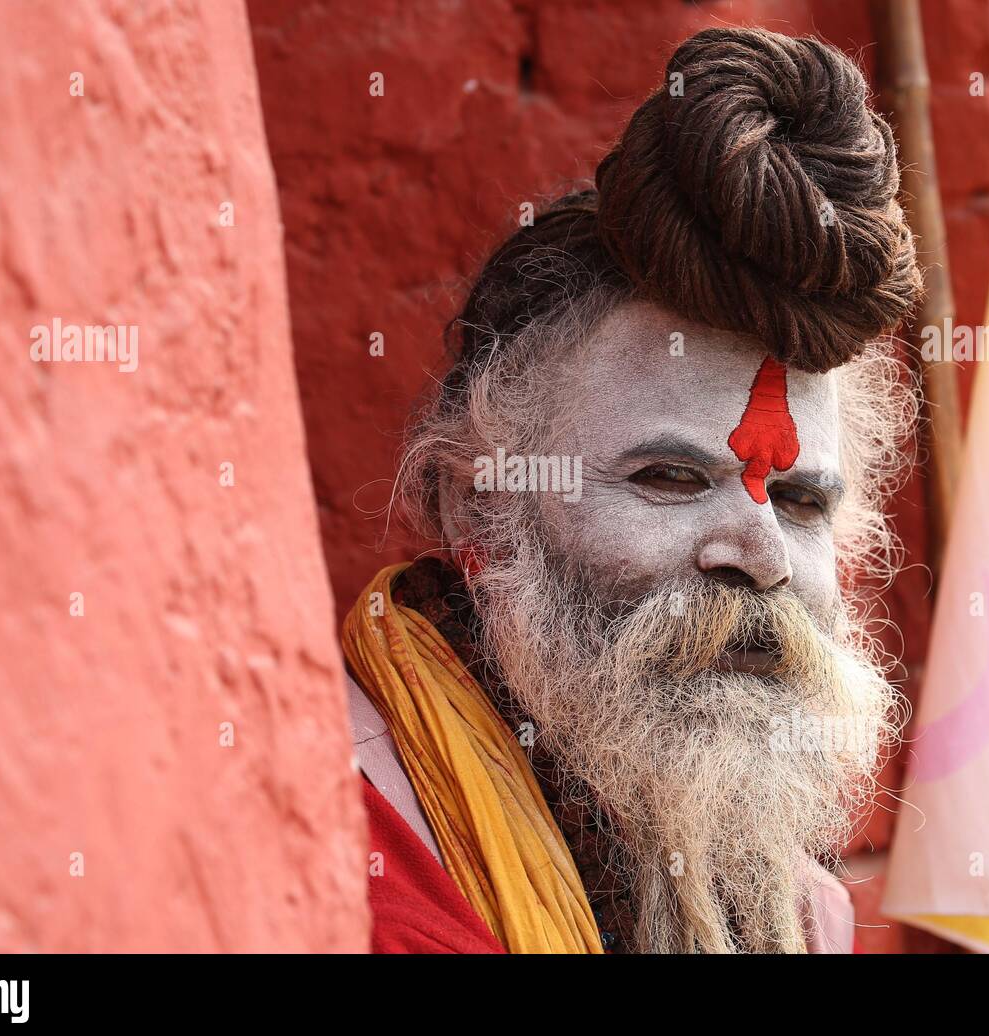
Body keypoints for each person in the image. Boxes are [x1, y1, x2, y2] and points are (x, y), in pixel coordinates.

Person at [342, 25, 923, 954]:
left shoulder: (802, 915)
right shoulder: (347, 855)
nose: (761, 555)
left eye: (804, 501)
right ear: (476, 505)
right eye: (670, 476)